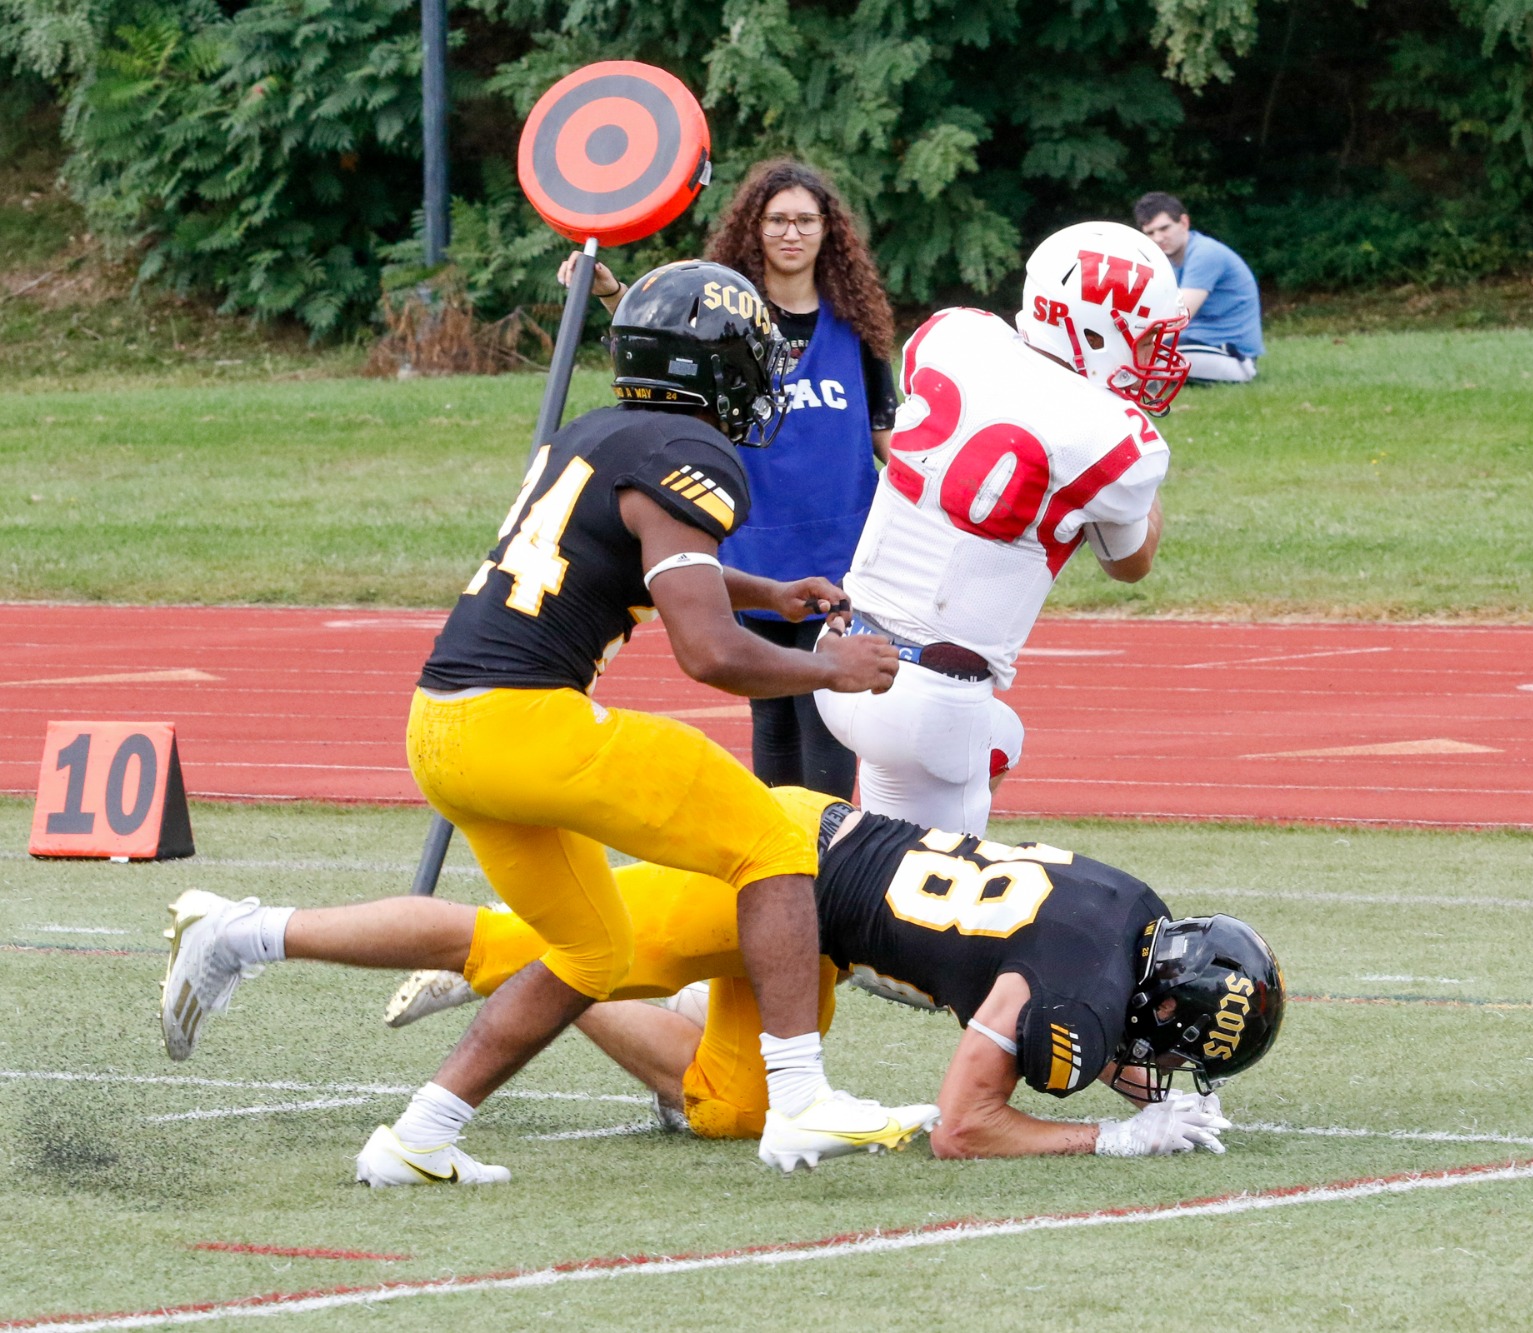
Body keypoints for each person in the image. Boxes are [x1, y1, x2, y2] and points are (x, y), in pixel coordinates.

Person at [161, 259, 933, 1183]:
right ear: (716, 366)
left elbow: (636, 554)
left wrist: (766, 591)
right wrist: (832, 666)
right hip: (526, 723)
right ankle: (801, 1098)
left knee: (590, 951)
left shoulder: (599, 432)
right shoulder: (693, 453)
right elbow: (709, 653)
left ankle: (417, 1134)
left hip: (443, 726)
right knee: (773, 842)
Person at [154, 783, 1283, 1162]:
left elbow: (1070, 992)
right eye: (1177, 1042)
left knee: (731, 1109)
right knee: (507, 939)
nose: (1165, 1059)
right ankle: (246, 930)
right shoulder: (1079, 994)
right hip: (776, 869)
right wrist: (1110, 1138)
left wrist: (1139, 1081)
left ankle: (564, 983)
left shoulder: (1134, 912)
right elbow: (961, 1124)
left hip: (818, 913)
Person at [815, 221, 1183, 836]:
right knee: (929, 885)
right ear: (1095, 332)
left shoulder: (955, 335)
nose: (1153, 355)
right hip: (932, 695)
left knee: (997, 739)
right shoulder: (1114, 437)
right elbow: (1130, 563)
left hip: (840, 653)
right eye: (1144, 338)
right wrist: (1141, 477)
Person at [565, 160, 897, 800]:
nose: (792, 233)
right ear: (754, 226)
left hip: (839, 554)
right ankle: (778, 846)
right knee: (771, 713)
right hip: (752, 549)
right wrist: (610, 292)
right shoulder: (727, 322)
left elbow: (887, 435)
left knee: (827, 713)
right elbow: (662, 340)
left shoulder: (856, 327)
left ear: (828, 230)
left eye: (806, 220)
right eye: (778, 220)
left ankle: (827, 852)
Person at [1133, 191, 1263, 384]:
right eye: (1150, 233)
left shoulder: (1205, 253)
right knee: (1139, 353)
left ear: (1184, 223)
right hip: (1197, 345)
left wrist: (1136, 347)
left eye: (1164, 228)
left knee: (1147, 357)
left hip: (1234, 357)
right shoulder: (1166, 262)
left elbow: (1176, 319)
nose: (1158, 238)